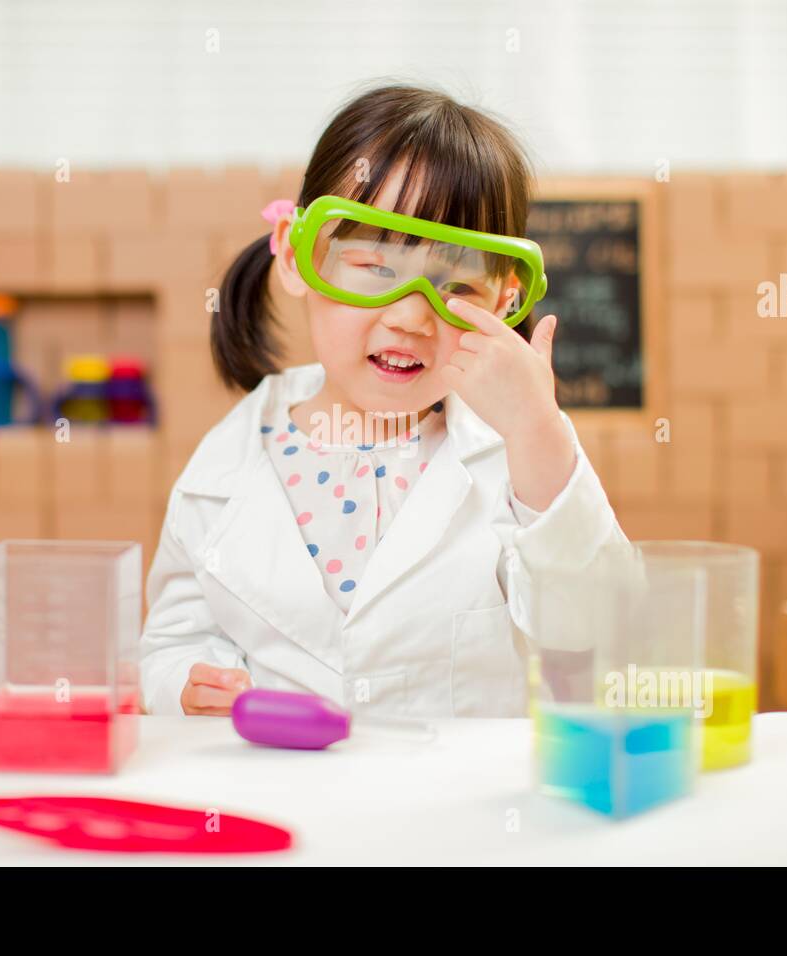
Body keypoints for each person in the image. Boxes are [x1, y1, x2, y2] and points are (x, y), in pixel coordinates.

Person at [140, 83, 626, 717]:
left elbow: (602, 634)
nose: (409, 318)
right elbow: (175, 636)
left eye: (455, 283)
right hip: (289, 797)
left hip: (458, 807)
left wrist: (538, 432)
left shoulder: (520, 452)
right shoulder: (229, 457)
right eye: (373, 266)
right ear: (296, 254)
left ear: (504, 302)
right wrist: (182, 683)